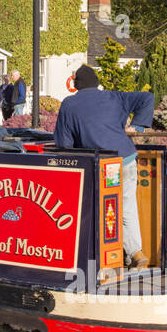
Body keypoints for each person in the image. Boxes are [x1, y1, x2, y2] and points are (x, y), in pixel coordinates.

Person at [52, 64, 155, 269]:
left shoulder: (69, 104)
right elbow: (147, 98)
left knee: (100, 208)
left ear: (76, 85)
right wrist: (138, 126)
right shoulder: (114, 97)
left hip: (103, 164)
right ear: (96, 83)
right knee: (127, 208)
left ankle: (106, 260)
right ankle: (135, 252)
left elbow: (64, 145)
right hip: (126, 158)